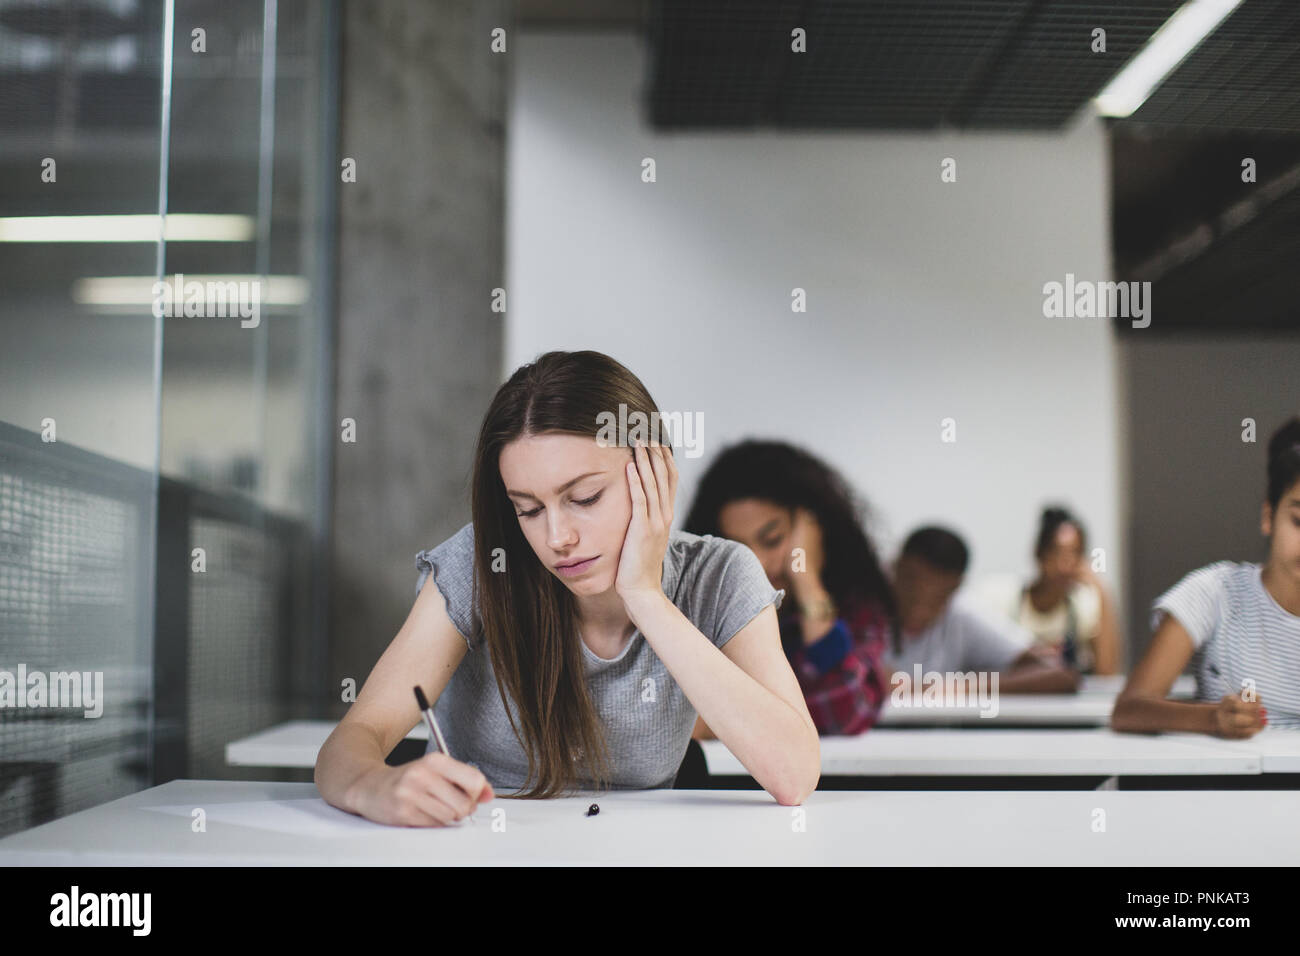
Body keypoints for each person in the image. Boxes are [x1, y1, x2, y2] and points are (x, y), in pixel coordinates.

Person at [315, 351, 819, 826]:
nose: (557, 538)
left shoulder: (720, 575)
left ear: (656, 473)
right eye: (528, 509)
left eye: (584, 497)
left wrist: (645, 596)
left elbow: (794, 775)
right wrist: (373, 787)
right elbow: (355, 738)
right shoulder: (483, 564)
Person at [682, 440, 896, 736]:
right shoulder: (704, 600)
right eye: (737, 548)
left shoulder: (855, 601)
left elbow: (844, 711)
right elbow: (678, 719)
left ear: (813, 530)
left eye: (772, 539)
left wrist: (806, 579)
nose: (756, 562)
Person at [1112, 417, 1300, 736]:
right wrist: (1212, 718)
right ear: (1269, 517)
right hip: (1230, 783)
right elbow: (1129, 709)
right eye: (1298, 521)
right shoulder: (1214, 593)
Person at [888, 526, 1080, 693]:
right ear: (895, 569)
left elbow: (1060, 674)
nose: (919, 604)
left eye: (935, 597)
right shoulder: (863, 610)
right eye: (910, 584)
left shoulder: (962, 613)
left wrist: (950, 688)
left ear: (955, 588)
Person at [977, 506, 1121, 675]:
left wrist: (1099, 588)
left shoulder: (1082, 606)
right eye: (1057, 553)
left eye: (1075, 554)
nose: (1065, 565)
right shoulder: (1001, 598)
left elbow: (1107, 673)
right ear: (1039, 553)